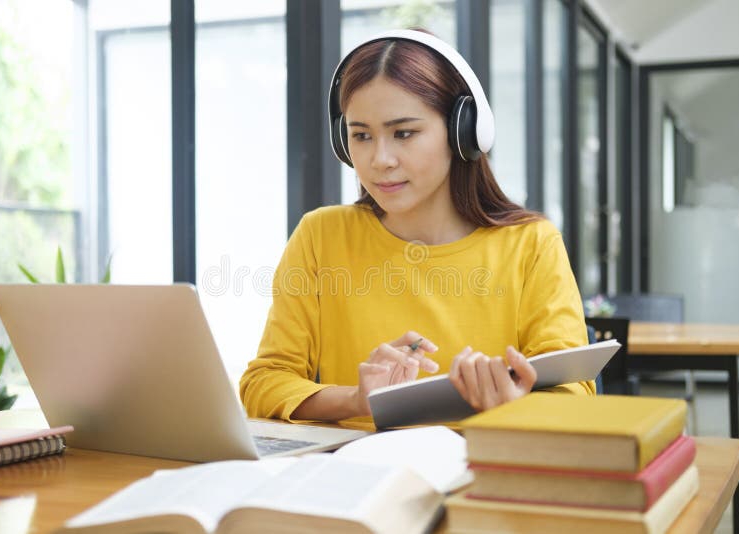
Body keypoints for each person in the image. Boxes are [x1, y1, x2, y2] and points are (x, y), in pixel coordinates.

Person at [240, 29, 593, 424]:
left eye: (403, 133)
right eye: (361, 136)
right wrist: (357, 399)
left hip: (482, 473)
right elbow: (264, 383)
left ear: (462, 131)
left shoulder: (531, 244)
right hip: (361, 477)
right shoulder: (321, 236)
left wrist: (514, 404)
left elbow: (573, 392)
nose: (380, 159)